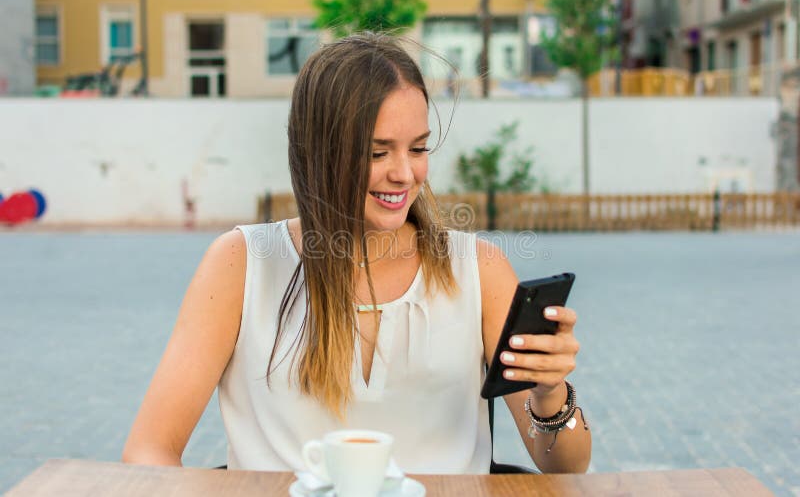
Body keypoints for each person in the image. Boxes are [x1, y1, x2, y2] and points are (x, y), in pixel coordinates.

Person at [122, 33, 591, 474]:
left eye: (419, 147)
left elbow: (565, 468)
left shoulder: (480, 270)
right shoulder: (241, 264)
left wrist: (550, 394)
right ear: (319, 152)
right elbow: (149, 448)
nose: (405, 174)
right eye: (376, 152)